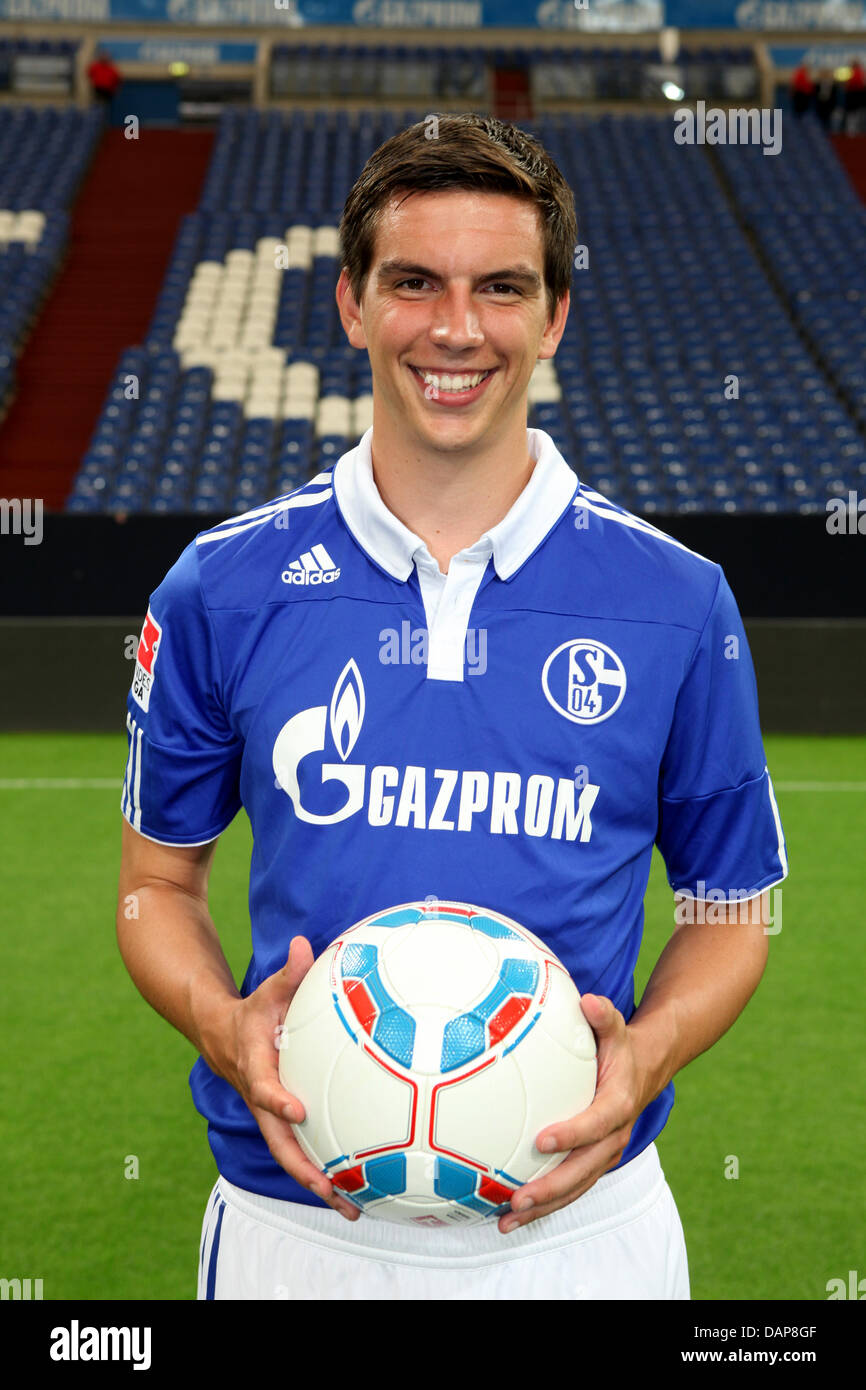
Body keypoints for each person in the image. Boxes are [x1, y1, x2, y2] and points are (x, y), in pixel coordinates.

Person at [116, 114, 788, 1301]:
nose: (456, 328)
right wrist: (223, 1024)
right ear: (351, 304)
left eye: (501, 287)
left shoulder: (679, 601)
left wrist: (649, 1050)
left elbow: (730, 910)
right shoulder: (222, 585)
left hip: (580, 1237)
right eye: (414, 282)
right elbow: (155, 888)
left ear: (553, 315)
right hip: (297, 1228)